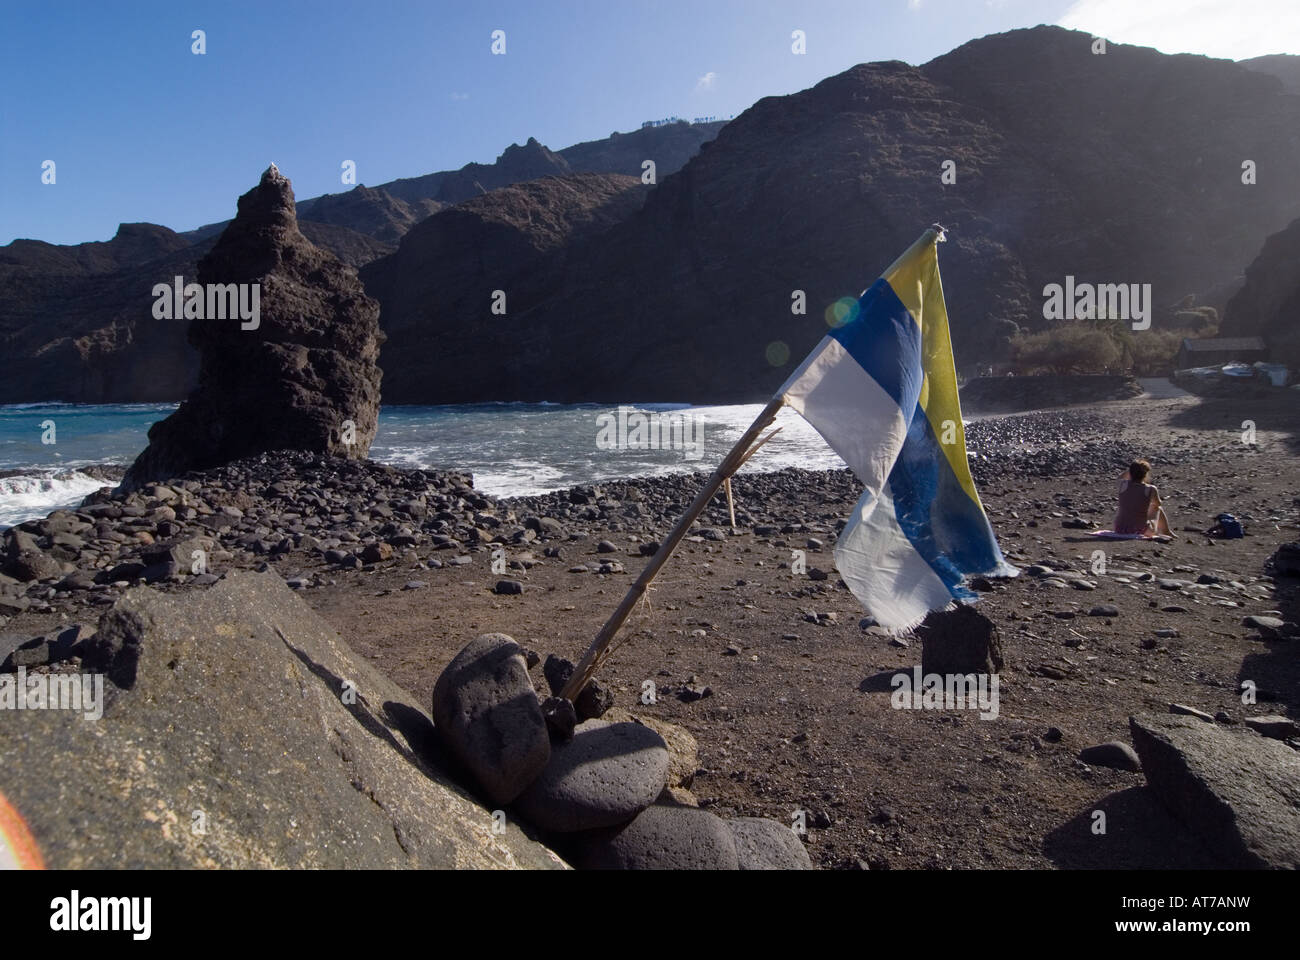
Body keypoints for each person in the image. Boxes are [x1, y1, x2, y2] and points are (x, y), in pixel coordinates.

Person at [1112, 459, 1171, 537]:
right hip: (1141, 530)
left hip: (1119, 528)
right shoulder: (1150, 488)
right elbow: (1158, 503)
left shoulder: (1123, 484)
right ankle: (1166, 531)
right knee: (1156, 507)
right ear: (1145, 474)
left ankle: (1167, 531)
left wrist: (1131, 469)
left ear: (1130, 472)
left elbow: (1120, 477)